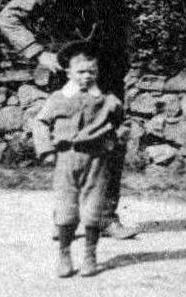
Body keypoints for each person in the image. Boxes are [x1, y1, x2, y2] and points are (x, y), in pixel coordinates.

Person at [0, 0, 139, 239]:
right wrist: (37, 52)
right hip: (69, 82)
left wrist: (122, 58)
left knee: (111, 145)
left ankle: (106, 216)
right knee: (69, 149)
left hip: (107, 78)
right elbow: (8, 18)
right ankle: (65, 220)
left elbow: (121, 21)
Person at [30, 48, 125, 278]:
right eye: (80, 72)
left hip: (96, 161)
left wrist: (114, 140)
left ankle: (90, 255)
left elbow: (122, 124)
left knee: (93, 209)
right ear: (69, 73)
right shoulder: (58, 98)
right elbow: (40, 123)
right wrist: (46, 150)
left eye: (92, 72)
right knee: (66, 208)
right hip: (66, 159)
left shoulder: (106, 100)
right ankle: (64, 255)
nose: (86, 76)